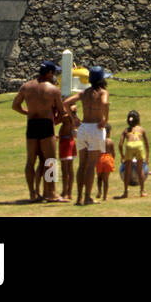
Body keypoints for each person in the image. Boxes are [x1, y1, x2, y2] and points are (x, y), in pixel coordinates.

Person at [12, 60, 67, 203]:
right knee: (50, 160)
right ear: (49, 73)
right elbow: (62, 112)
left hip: (32, 124)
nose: (54, 74)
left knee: (30, 160)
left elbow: (15, 105)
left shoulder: (26, 86)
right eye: (53, 72)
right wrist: (57, 120)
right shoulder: (53, 90)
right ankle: (52, 192)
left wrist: (28, 112)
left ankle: (32, 193)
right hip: (46, 124)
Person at [65, 65, 109, 205]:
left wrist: (73, 118)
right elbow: (105, 103)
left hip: (83, 128)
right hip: (95, 128)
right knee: (91, 165)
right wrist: (105, 120)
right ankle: (88, 196)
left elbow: (66, 102)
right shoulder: (103, 92)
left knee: (82, 164)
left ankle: (79, 197)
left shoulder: (84, 93)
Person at [120, 110, 149, 198]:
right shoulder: (141, 129)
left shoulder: (125, 130)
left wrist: (122, 156)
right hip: (138, 145)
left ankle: (125, 192)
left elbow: (120, 144)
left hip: (129, 146)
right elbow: (147, 144)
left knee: (127, 170)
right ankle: (142, 191)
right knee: (140, 169)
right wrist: (147, 157)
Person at [56, 102, 80, 199]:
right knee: (69, 168)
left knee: (65, 169)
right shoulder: (73, 118)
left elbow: (55, 121)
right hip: (68, 140)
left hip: (66, 142)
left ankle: (66, 192)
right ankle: (68, 192)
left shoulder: (67, 117)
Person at [96, 123, 116, 201]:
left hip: (100, 158)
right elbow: (113, 153)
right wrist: (112, 160)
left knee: (99, 177)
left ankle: (99, 191)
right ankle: (105, 196)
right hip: (108, 159)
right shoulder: (110, 141)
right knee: (106, 179)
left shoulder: (99, 140)